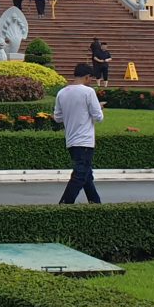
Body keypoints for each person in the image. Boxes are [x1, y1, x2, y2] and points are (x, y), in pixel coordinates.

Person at [54, 63, 104, 204]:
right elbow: (98, 117)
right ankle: (65, 203)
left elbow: (57, 117)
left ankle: (95, 202)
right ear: (87, 77)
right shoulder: (88, 92)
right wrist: (99, 109)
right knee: (80, 174)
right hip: (85, 139)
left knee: (86, 174)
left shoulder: (62, 92)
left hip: (71, 139)